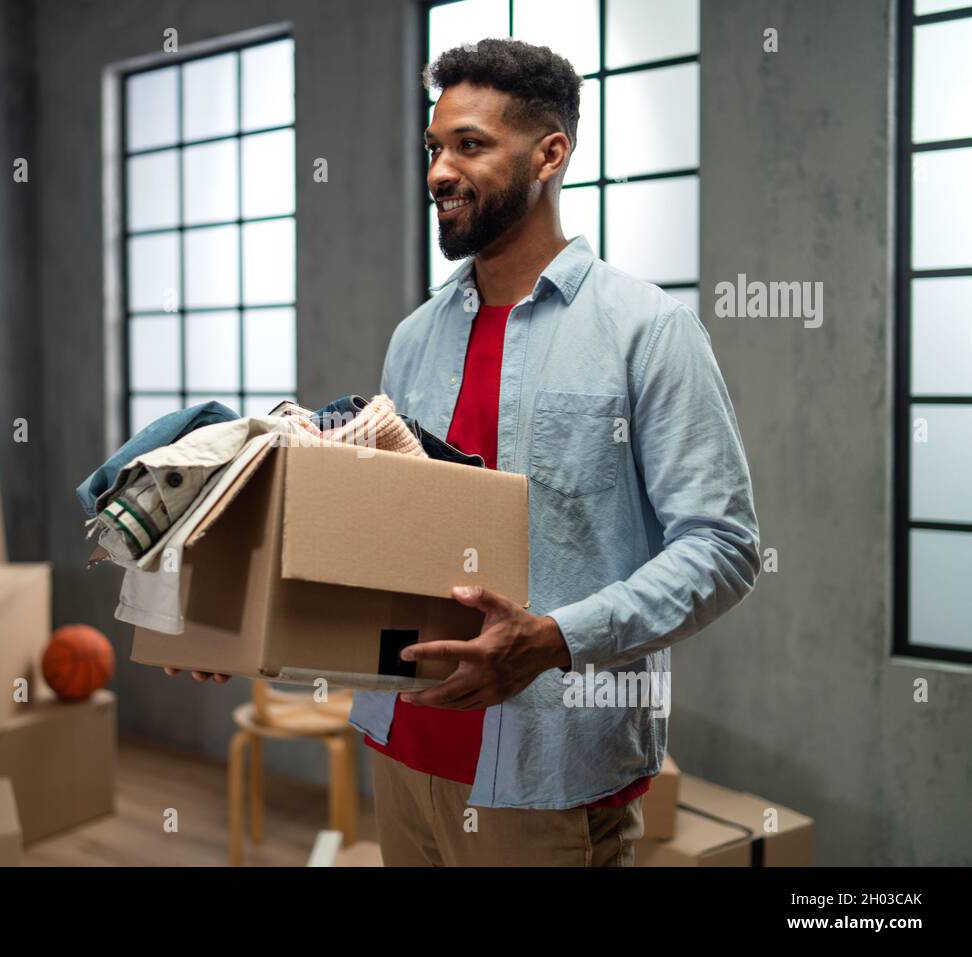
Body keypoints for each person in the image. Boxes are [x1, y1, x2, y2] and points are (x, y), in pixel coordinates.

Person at [168, 37, 760, 867]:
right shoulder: (416, 338)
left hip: (546, 774)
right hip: (403, 753)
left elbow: (724, 547)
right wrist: (238, 622)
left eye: (471, 145)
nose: (439, 170)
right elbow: (380, 539)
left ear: (550, 153)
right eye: (434, 148)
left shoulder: (647, 331)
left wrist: (552, 637)